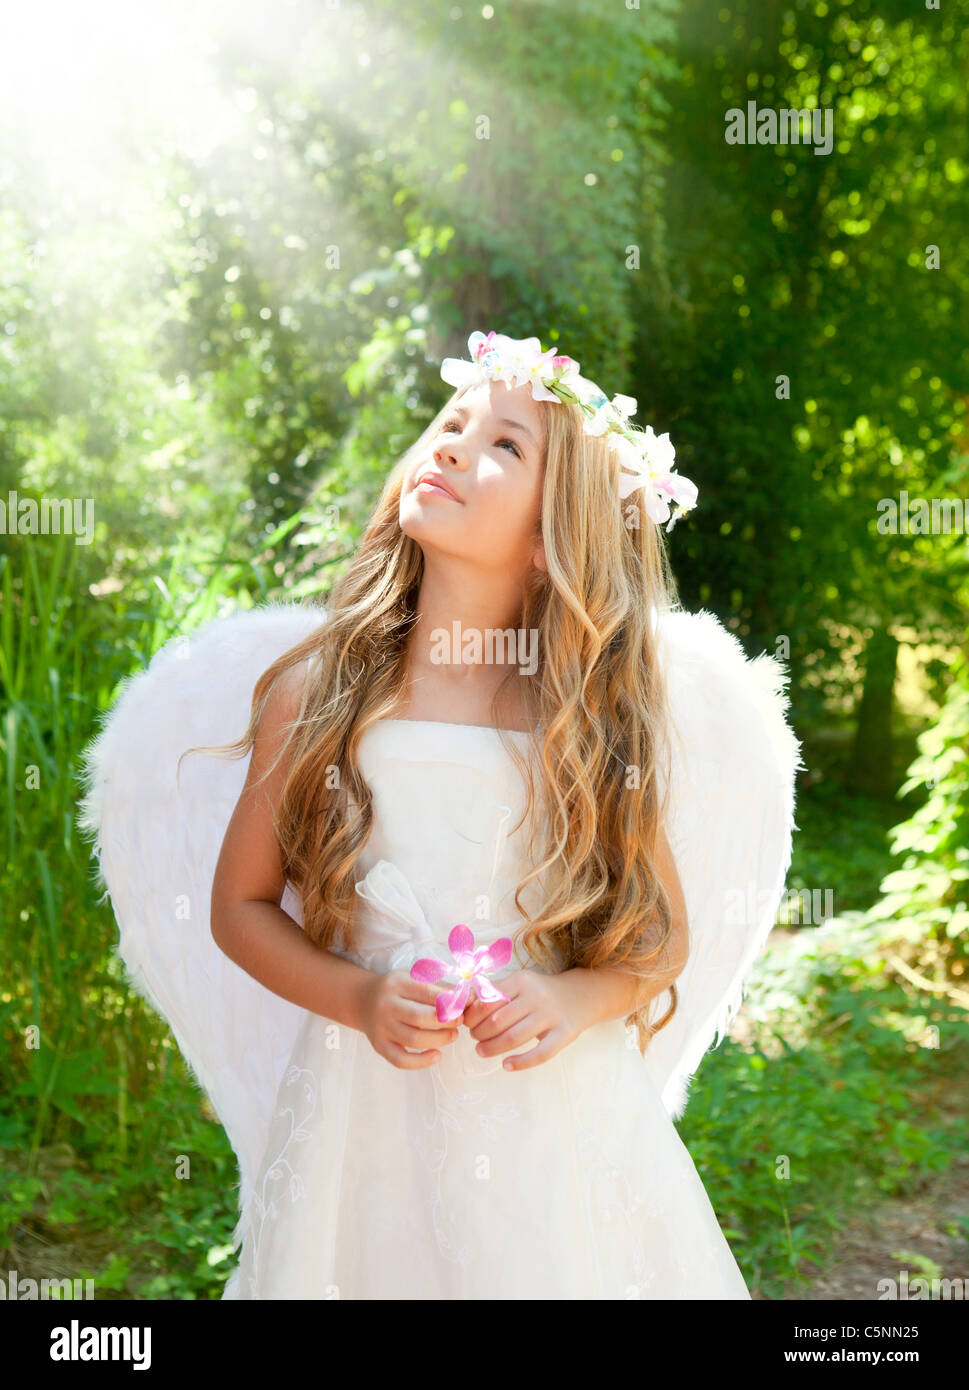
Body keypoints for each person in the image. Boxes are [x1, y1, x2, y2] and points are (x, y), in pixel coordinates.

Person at [79, 329, 802, 1300]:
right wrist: (362, 998)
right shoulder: (316, 691)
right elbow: (239, 907)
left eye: (507, 446)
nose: (457, 445)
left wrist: (574, 999)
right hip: (362, 1106)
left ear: (552, 540)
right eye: (453, 423)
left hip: (550, 1110)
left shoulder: (577, 716)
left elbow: (659, 940)